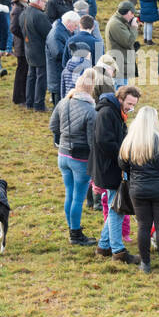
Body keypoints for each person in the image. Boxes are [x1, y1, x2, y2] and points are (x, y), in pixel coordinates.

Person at [116, 106, 159, 274]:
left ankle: (145, 264)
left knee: (143, 226)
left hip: (138, 190)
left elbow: (122, 165)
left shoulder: (130, 142)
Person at [89, 84, 141, 266]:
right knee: (116, 209)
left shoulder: (115, 112)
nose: (131, 108)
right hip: (109, 168)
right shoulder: (107, 113)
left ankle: (103, 246)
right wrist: (124, 154)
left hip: (111, 167)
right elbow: (105, 142)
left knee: (114, 206)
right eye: (129, 104)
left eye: (133, 105)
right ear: (120, 98)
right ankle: (118, 251)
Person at [49, 71, 98, 247]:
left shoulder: (63, 102)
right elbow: (93, 142)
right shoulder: (91, 111)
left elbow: (53, 125)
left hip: (62, 155)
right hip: (80, 159)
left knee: (69, 194)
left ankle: (72, 229)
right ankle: (75, 234)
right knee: (78, 197)